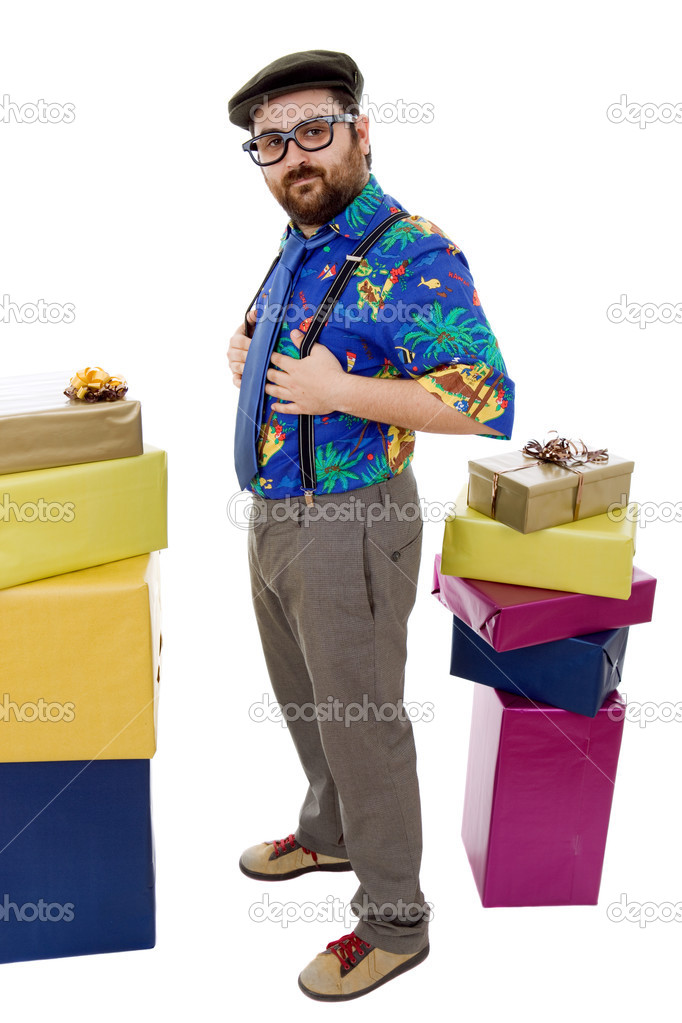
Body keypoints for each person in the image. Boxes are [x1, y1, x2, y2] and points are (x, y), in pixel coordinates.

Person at [227, 49, 515, 1001]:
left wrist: (337, 388)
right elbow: (304, 348)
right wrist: (250, 345)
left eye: (312, 129)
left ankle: (395, 920)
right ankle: (330, 834)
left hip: (350, 525)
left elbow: (482, 400)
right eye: (270, 140)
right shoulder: (304, 238)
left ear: (358, 131)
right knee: (310, 702)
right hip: (277, 516)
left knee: (362, 721)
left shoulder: (412, 251)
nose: (291, 153)